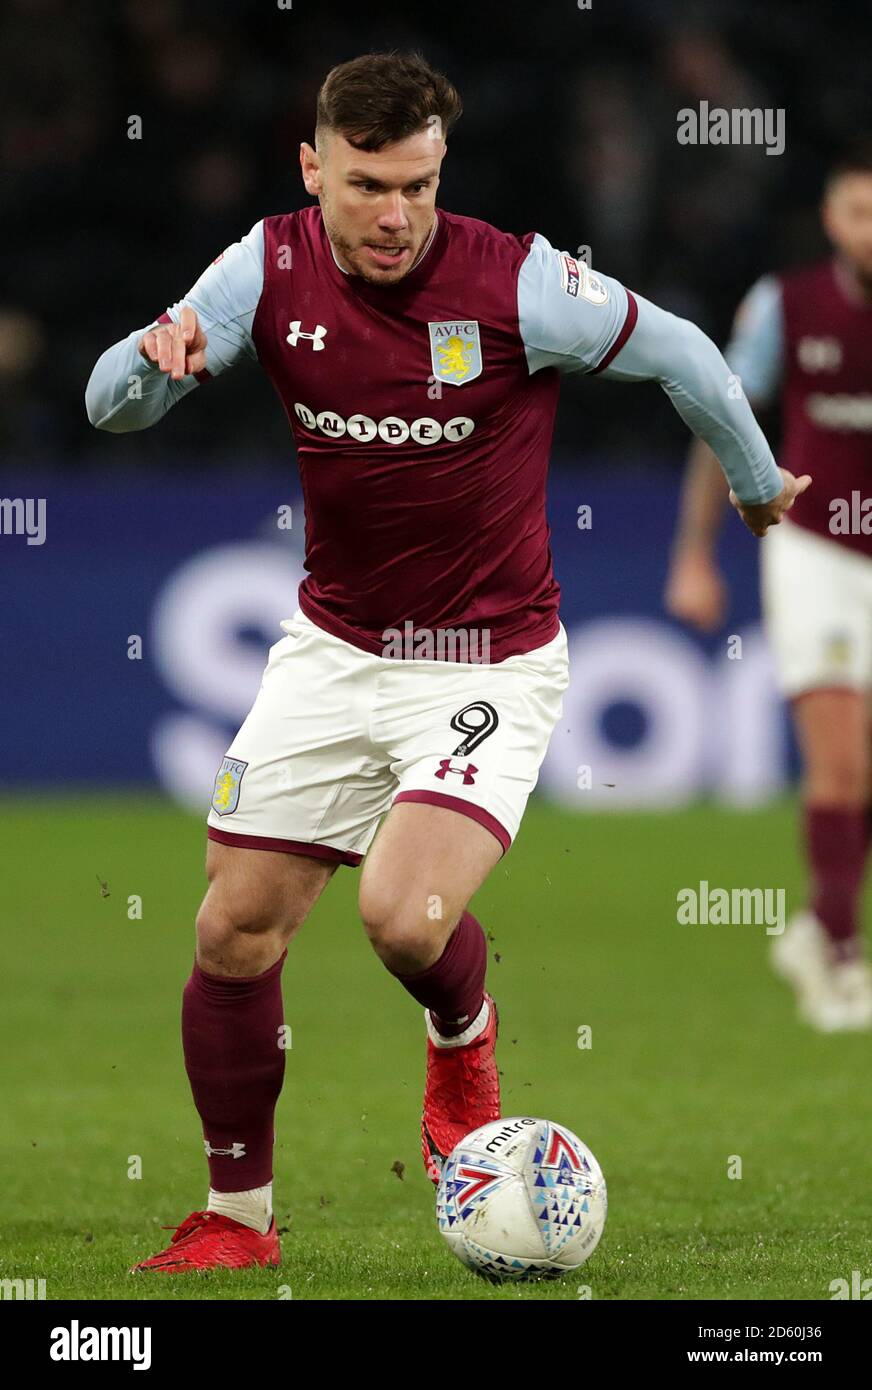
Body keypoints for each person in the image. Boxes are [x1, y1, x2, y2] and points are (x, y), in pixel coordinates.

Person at [87, 50, 802, 1272]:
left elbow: (683, 350)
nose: (395, 214)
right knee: (232, 930)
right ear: (312, 167)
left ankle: (461, 1044)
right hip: (331, 649)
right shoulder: (263, 268)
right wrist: (155, 371)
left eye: (417, 183)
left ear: (440, 170)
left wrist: (751, 484)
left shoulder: (519, 284)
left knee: (403, 917)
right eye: (366, 184)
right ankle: (237, 1223)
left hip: (486, 661)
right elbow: (110, 402)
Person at [665, 144, 872, 1033]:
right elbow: (722, 418)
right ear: (833, 220)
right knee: (841, 760)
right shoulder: (786, 304)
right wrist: (694, 554)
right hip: (816, 548)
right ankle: (838, 952)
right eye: (862, 211)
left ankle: (814, 931)